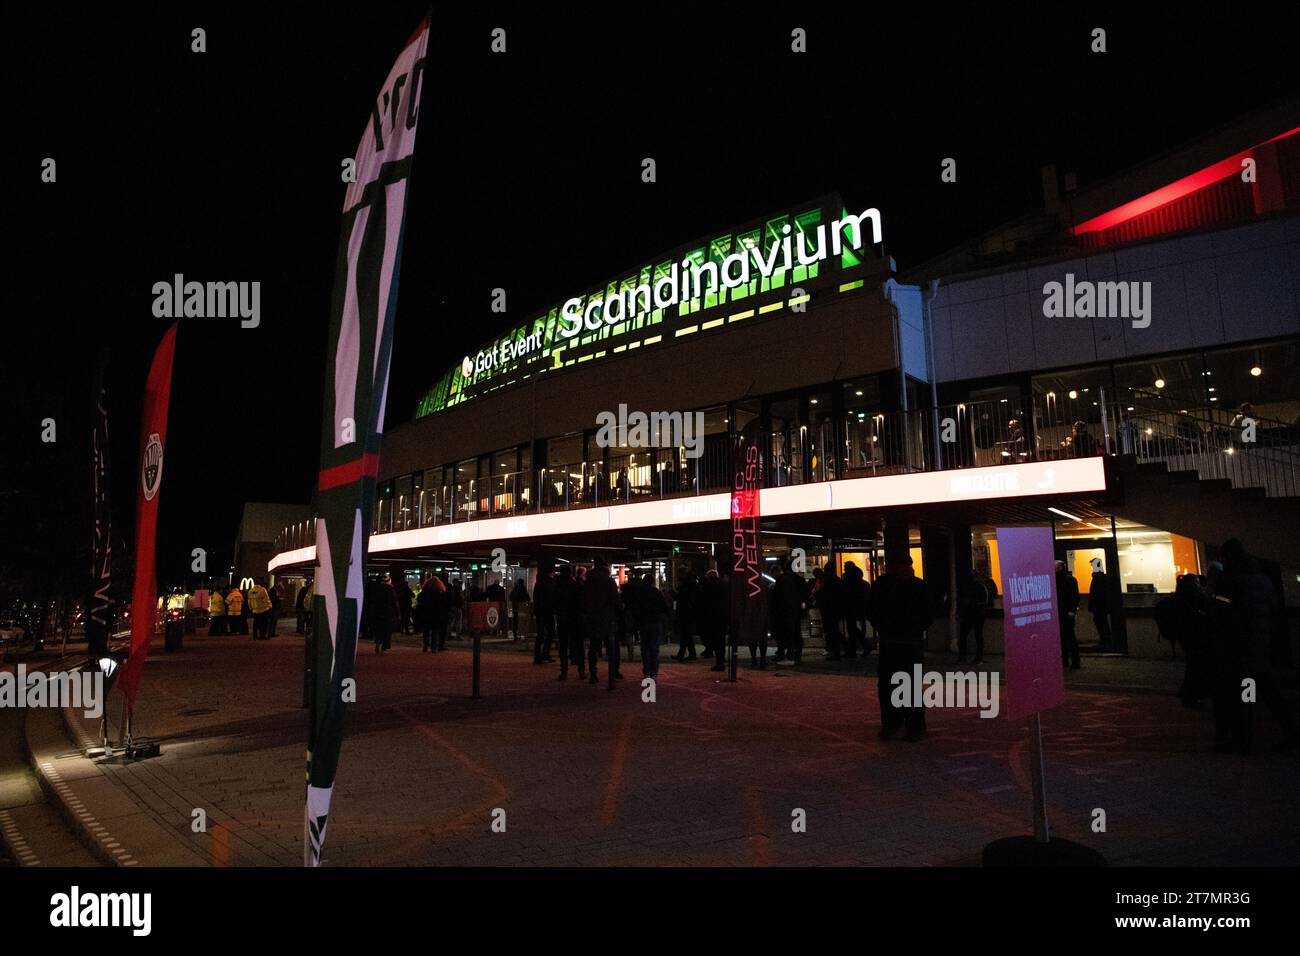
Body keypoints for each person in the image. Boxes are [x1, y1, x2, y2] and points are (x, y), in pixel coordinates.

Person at [1209, 539, 1298, 752]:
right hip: (1260, 644)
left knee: (1244, 693)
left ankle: (1243, 738)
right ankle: (1290, 731)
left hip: (1240, 647)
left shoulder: (1234, 582)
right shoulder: (1262, 581)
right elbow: (1274, 611)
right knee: (1267, 691)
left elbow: (1224, 611)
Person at [870, 554, 933, 740]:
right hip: (910, 643)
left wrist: (883, 627)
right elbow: (928, 614)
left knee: (889, 684)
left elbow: (872, 610)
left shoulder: (883, 585)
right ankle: (913, 726)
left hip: (892, 642)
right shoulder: (918, 586)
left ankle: (893, 724)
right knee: (909, 684)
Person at [1155, 574, 1211, 708]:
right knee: (1196, 663)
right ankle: (1190, 694)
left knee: (1194, 663)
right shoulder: (1193, 598)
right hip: (1193, 634)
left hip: (1184, 634)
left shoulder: (1179, 598)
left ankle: (1189, 693)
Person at [581, 556, 622, 684]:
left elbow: (584, 600)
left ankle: (593, 673)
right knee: (612, 646)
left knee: (593, 646)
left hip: (592, 617)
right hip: (607, 617)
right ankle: (613, 672)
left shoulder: (588, 581)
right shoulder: (609, 581)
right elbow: (615, 600)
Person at [626, 571, 668, 679]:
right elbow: (664, 607)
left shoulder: (640, 593)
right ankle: (654, 671)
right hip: (655, 622)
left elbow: (636, 608)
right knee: (654, 648)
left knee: (645, 648)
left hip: (644, 623)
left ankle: (646, 670)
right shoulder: (656, 592)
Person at [771, 557, 807, 665]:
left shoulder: (783, 580)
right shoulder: (798, 579)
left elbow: (780, 597)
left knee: (787, 633)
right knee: (795, 633)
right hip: (795, 610)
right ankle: (796, 655)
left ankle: (788, 655)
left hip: (786, 611)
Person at [955, 565, 992, 664]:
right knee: (977, 635)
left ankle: (964, 657)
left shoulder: (967, 586)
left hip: (970, 614)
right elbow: (986, 600)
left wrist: (961, 611)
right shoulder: (980, 586)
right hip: (976, 614)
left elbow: (961, 600)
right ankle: (977, 657)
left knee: (965, 635)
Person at [555, 564, 583, 680]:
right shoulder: (576, 585)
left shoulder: (557, 586)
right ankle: (581, 670)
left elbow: (554, 602)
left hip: (562, 618)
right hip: (575, 618)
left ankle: (564, 671)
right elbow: (581, 601)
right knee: (578, 644)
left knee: (563, 645)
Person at [841, 561, 871, 658]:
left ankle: (856, 649)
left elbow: (847, 592)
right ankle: (860, 647)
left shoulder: (849, 580)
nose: (844, 568)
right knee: (852, 628)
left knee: (852, 629)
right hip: (856, 606)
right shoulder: (860, 582)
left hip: (851, 606)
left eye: (845, 566)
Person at [699, 569, 728, 670]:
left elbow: (704, 601)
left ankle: (719, 662)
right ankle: (721, 659)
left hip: (712, 616)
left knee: (715, 639)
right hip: (722, 616)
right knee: (721, 639)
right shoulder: (724, 585)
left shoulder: (708, 586)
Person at [363, 574, 399, 654]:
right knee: (387, 630)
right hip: (387, 612)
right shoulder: (390, 589)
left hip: (377, 612)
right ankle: (384, 647)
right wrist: (397, 613)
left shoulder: (375, 589)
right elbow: (394, 602)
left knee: (378, 629)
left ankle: (377, 644)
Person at [1056, 560, 1081, 669]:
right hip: (1065, 612)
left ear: (1060, 568)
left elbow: (1074, 596)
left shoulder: (1066, 580)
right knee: (1067, 636)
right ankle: (1068, 661)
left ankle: (1070, 661)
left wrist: (1071, 610)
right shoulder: (1070, 580)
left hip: (1064, 612)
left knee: (1068, 637)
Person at [672, 568, 700, 661]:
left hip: (686, 611)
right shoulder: (691, 583)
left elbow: (683, 596)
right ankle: (689, 653)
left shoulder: (687, 584)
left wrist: (674, 594)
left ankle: (685, 653)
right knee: (686, 634)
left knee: (685, 633)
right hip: (688, 611)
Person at [531, 567, 556, 665]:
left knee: (541, 635)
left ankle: (539, 656)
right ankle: (544, 654)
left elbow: (537, 598)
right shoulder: (551, 583)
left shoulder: (540, 584)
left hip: (541, 612)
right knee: (549, 633)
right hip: (547, 612)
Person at [818, 564, 844, 660]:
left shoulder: (827, 582)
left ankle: (834, 652)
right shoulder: (838, 581)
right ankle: (836, 651)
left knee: (831, 632)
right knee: (834, 631)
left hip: (829, 610)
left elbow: (824, 596)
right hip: (835, 610)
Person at [417, 573, 446, 652]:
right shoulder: (440, 594)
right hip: (436, 615)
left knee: (425, 631)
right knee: (435, 631)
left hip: (426, 614)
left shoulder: (423, 593)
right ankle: (434, 648)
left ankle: (425, 646)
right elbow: (443, 605)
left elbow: (419, 602)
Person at [1088, 561, 1113, 649]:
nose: (1091, 567)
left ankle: (1105, 640)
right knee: (1103, 622)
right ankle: (1106, 639)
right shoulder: (1102, 577)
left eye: (1092, 565)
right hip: (1101, 605)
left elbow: (1095, 593)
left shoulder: (1097, 577)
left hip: (1099, 605)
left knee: (1100, 622)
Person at [510, 578, 531, 645]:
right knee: (523, 622)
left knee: (516, 622)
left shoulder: (515, 589)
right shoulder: (523, 590)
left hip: (515, 608)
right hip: (523, 609)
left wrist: (514, 603)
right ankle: (523, 635)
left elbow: (511, 597)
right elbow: (528, 598)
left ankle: (515, 635)